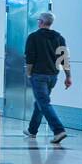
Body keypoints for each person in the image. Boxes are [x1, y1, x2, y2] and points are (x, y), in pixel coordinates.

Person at [25, 11, 71, 144]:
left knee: (44, 102)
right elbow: (64, 59)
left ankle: (58, 130)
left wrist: (28, 73)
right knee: (40, 102)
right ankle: (32, 130)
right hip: (53, 76)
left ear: (41, 22)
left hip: (38, 75)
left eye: (38, 20)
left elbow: (30, 58)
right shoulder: (59, 37)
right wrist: (68, 77)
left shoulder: (33, 37)